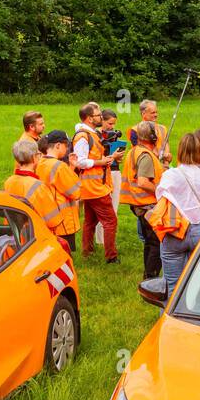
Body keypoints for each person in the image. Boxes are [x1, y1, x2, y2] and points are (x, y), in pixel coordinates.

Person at [152, 132, 200, 301]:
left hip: (174, 230)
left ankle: (170, 320)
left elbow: (160, 198)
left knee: (172, 285)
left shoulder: (169, 175)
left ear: (180, 151)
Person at [72, 101, 124, 264]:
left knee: (90, 221)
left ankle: (88, 251)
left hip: (92, 187)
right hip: (95, 188)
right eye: (98, 115)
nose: (101, 116)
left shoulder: (91, 134)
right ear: (89, 118)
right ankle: (111, 256)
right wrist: (105, 161)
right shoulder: (83, 136)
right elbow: (80, 161)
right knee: (110, 221)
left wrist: (109, 158)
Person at [122, 120, 165, 279]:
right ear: (153, 137)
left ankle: (148, 275)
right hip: (147, 205)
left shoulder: (135, 151)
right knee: (157, 243)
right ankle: (151, 278)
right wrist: (160, 191)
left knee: (149, 242)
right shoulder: (145, 156)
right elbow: (143, 181)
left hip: (139, 204)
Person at [3, 138, 65, 237]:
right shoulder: (38, 186)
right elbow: (53, 221)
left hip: (13, 237)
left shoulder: (9, 181)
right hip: (34, 239)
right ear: (34, 157)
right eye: (39, 154)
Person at [36, 131, 82, 250]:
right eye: (66, 146)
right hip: (63, 221)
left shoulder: (40, 163)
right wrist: (73, 170)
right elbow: (75, 192)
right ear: (57, 146)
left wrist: (70, 167)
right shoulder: (59, 166)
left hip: (48, 217)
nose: (67, 149)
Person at [140, 99, 172, 166]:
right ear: (143, 114)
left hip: (162, 167)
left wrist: (166, 165)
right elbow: (139, 152)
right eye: (153, 113)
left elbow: (168, 155)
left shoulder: (163, 129)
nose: (156, 115)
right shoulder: (136, 130)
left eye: (156, 112)